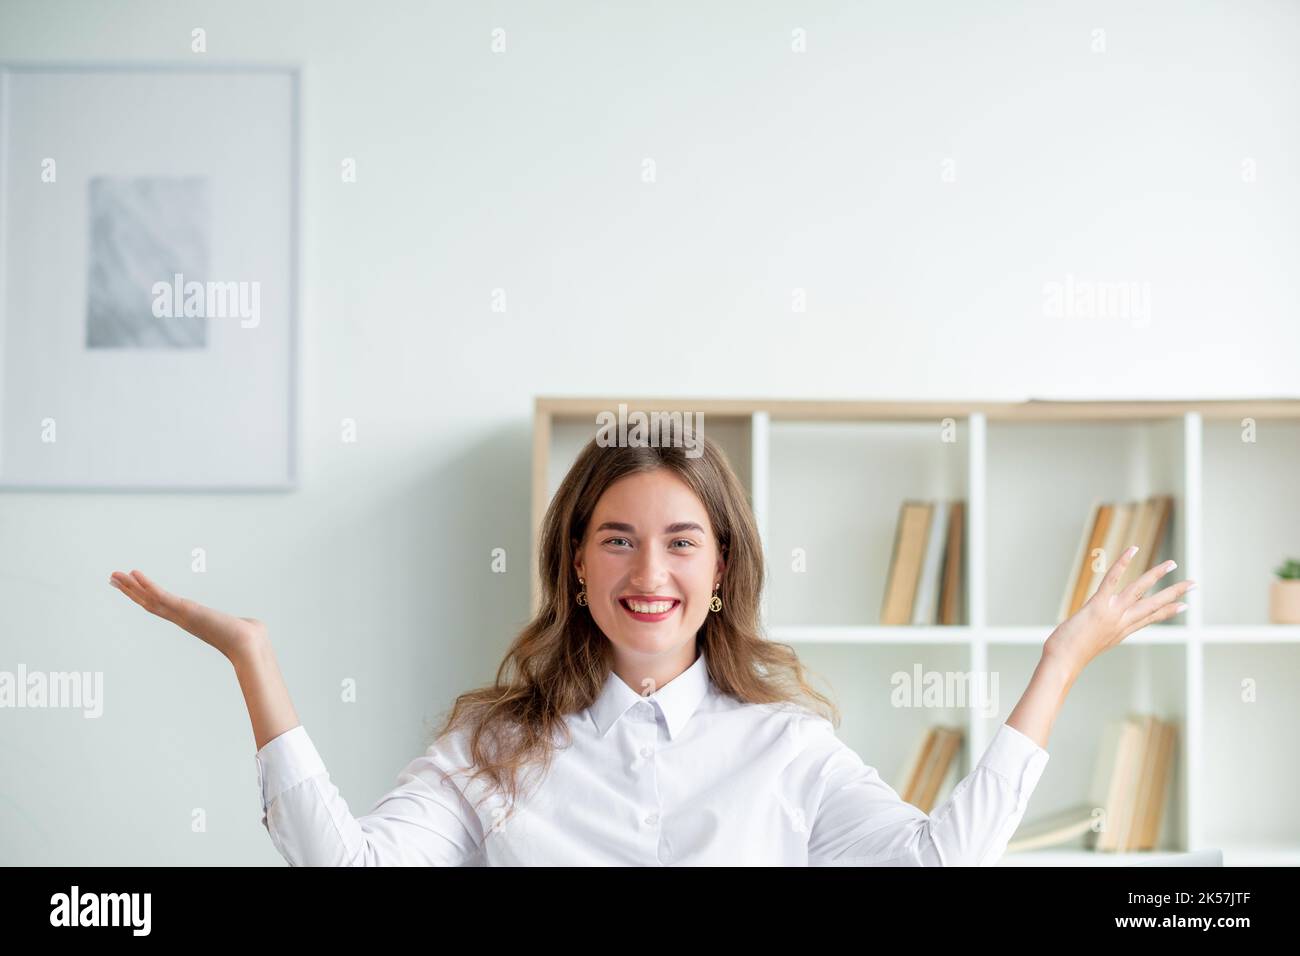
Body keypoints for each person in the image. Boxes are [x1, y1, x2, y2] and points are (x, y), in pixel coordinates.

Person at [109, 432, 1194, 865]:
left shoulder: (787, 748)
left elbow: (939, 863)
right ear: (574, 566)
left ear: (721, 570)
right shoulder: (487, 748)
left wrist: (1057, 666)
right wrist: (255, 661)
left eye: (681, 542)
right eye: (615, 541)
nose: (648, 573)